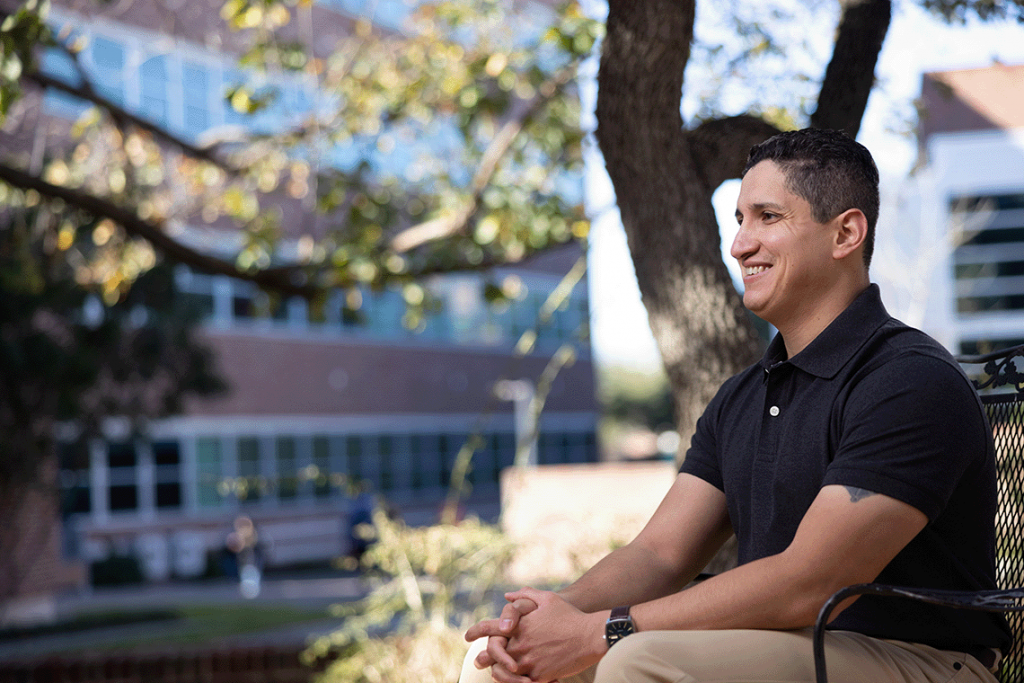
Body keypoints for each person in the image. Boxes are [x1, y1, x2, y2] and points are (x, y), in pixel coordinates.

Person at [460, 128, 1012, 683]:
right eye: (740, 220)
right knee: (499, 668)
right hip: (781, 649)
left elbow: (811, 583)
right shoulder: (743, 397)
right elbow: (658, 555)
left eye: (768, 217)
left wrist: (604, 631)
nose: (740, 244)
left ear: (846, 232)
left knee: (639, 658)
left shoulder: (908, 381)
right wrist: (553, 617)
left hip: (922, 661)